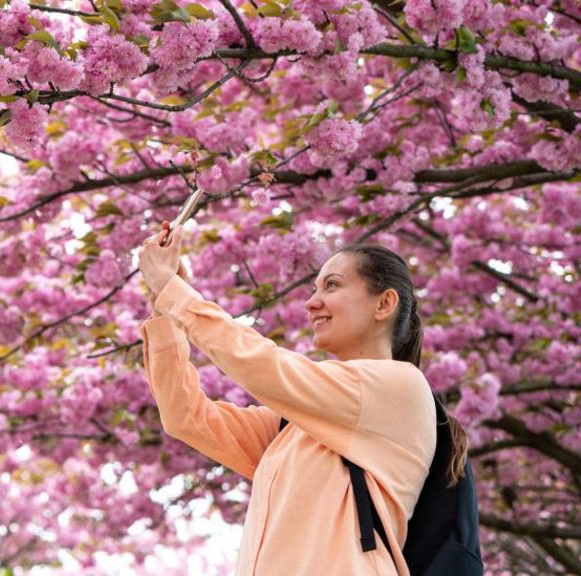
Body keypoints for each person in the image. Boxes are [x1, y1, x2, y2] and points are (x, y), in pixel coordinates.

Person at [136, 223, 469, 576]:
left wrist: (176, 293)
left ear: (384, 303)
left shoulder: (401, 386)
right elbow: (185, 416)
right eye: (314, 288)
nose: (311, 303)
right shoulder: (290, 430)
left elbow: (264, 366)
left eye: (333, 285)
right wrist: (165, 310)